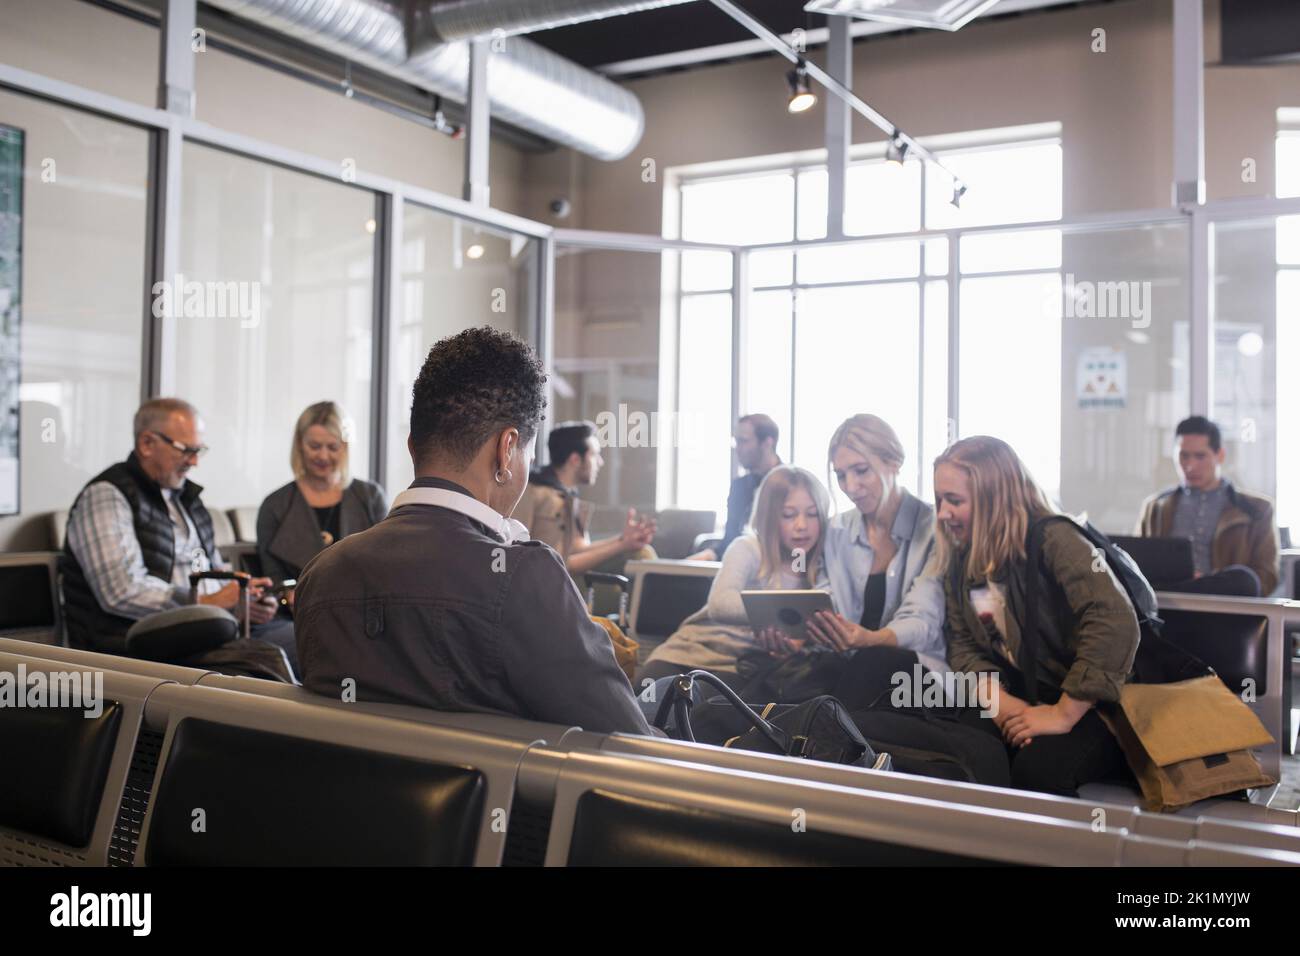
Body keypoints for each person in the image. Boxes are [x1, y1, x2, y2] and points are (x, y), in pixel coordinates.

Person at [293, 327, 654, 734]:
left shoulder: (321, 575)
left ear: (413, 447)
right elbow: (627, 743)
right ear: (506, 449)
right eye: (527, 455)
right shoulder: (525, 578)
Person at [935, 435, 1140, 797]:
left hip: (1093, 703)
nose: (942, 513)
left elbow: (1115, 620)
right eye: (939, 500)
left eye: (954, 501)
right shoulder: (960, 558)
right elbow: (963, 644)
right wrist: (998, 702)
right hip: (1023, 692)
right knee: (965, 755)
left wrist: (1061, 714)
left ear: (993, 499)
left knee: (1037, 773)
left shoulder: (1054, 538)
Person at [60, 398, 295, 678]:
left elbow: (215, 578)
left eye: (199, 451)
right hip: (134, 644)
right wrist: (207, 603)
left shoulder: (187, 502)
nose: (194, 462)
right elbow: (121, 592)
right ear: (147, 443)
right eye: (186, 450)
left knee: (312, 640)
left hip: (201, 632)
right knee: (268, 659)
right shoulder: (107, 496)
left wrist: (243, 603)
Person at [764, 415, 945, 708]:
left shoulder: (935, 528)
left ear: (894, 462)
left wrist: (869, 639)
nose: (851, 486)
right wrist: (805, 636)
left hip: (916, 673)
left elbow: (923, 621)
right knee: (776, 685)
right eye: (841, 476)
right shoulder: (836, 530)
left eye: (861, 471)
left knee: (873, 661)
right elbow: (827, 602)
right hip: (849, 664)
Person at [637, 465, 831, 688]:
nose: (801, 525)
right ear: (768, 517)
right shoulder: (748, 548)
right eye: (789, 515)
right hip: (688, 650)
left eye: (812, 514)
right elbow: (720, 604)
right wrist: (782, 617)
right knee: (643, 699)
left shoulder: (821, 567)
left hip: (739, 667)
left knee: (702, 712)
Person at [1136, 415, 1280, 596]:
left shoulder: (1258, 509)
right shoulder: (1155, 507)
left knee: (1245, 579)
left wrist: (1206, 581)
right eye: (1184, 456)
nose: (1190, 466)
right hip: (1167, 604)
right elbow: (1136, 568)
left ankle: (1182, 590)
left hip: (1225, 603)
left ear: (1220, 455)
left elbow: (1266, 578)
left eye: (1200, 456)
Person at [256, 401, 387, 594]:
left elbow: (385, 564)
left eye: (333, 447)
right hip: (296, 616)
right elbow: (273, 578)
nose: (323, 456)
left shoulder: (370, 497)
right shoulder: (274, 505)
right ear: (300, 444)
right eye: (315, 446)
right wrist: (287, 594)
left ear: (346, 447)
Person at [513, 420, 656, 577]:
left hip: (563, 583)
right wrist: (621, 545)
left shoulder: (568, 497)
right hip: (544, 585)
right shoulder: (533, 492)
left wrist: (624, 539)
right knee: (642, 556)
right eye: (594, 455)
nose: (600, 462)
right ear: (575, 460)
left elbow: (577, 549)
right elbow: (559, 564)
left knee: (642, 552)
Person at [690, 413, 783, 561]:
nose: (737, 449)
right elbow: (731, 539)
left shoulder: (791, 485)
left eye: (743, 441)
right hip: (738, 564)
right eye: (736, 441)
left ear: (767, 443)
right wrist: (708, 555)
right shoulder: (739, 487)